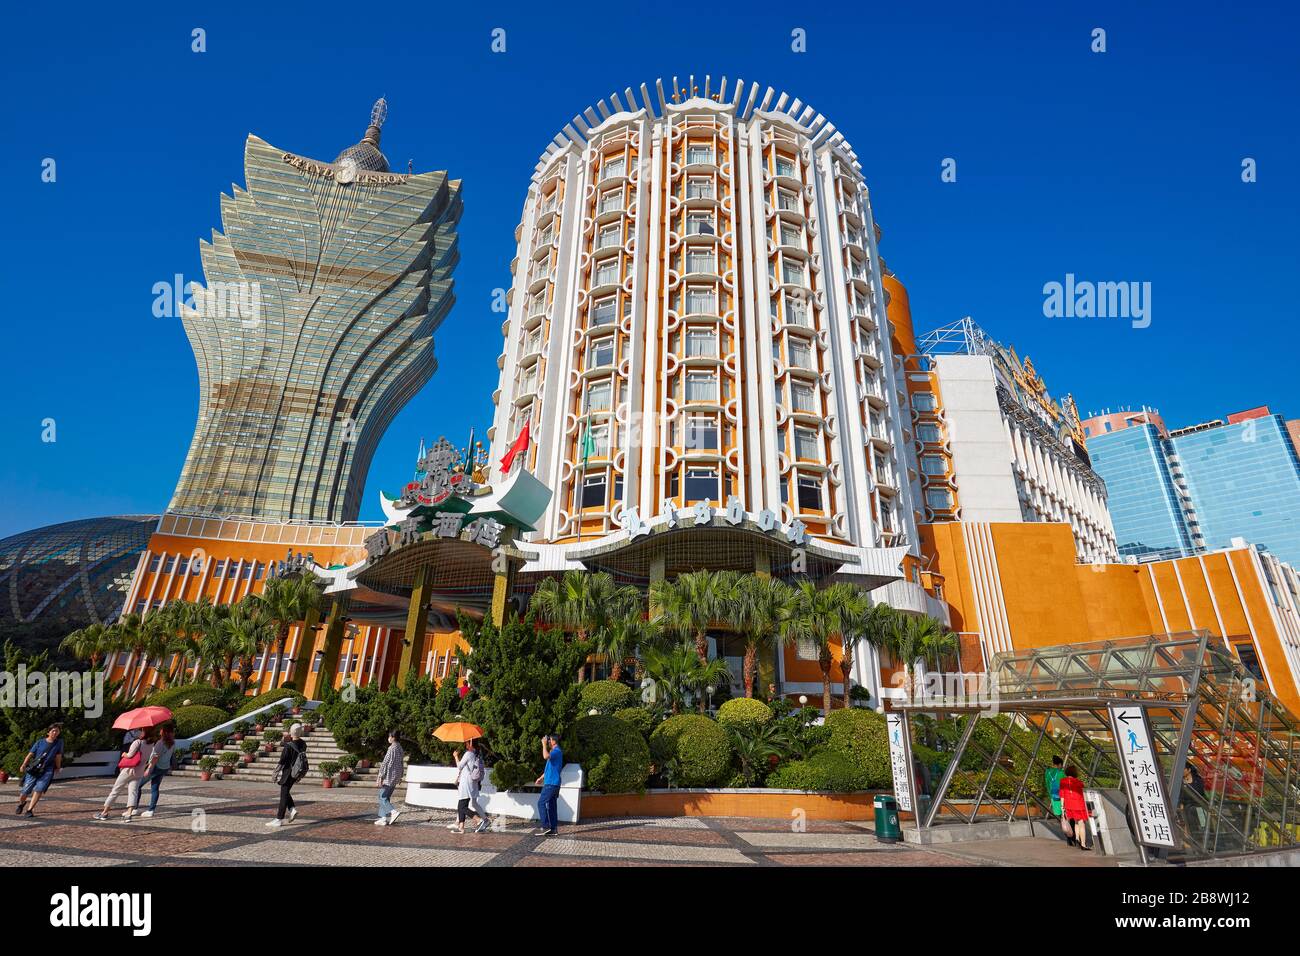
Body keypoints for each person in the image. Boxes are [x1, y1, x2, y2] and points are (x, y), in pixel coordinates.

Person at [95, 727, 156, 822]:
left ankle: (104, 813)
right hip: (139, 771)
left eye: (142, 731)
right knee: (133, 792)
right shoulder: (151, 744)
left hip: (128, 770)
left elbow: (130, 755)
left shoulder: (137, 742)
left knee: (116, 790)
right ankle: (129, 814)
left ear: (144, 732)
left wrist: (124, 754)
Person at [16, 724, 64, 818]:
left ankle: (30, 810)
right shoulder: (40, 742)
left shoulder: (59, 743)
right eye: (53, 730)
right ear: (48, 732)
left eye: (57, 731)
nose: (55, 732)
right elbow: (30, 754)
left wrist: (58, 767)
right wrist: (24, 765)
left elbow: (58, 756)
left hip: (47, 770)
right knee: (25, 792)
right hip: (34, 769)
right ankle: (21, 804)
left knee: (39, 789)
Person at [268, 723, 308, 828]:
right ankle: (292, 809)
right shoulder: (303, 744)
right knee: (285, 792)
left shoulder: (288, 746)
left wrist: (275, 773)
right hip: (296, 772)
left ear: (290, 732)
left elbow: (282, 761)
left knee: (283, 796)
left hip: (287, 773)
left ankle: (279, 819)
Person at [136, 724, 177, 818]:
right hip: (164, 767)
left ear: (164, 732)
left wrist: (149, 769)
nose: (159, 731)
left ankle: (135, 807)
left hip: (155, 767)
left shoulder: (160, 743)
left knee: (138, 785)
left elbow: (155, 757)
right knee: (155, 788)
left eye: (161, 730)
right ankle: (151, 810)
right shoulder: (173, 743)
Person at [449, 738, 488, 834]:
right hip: (472, 782)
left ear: (470, 743)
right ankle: (461, 827)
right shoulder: (476, 754)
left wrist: (455, 756)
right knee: (462, 804)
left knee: (462, 806)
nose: (465, 744)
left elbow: (459, 766)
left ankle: (478, 819)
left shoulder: (468, 754)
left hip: (465, 782)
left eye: (467, 742)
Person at [533, 732, 563, 837]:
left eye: (549, 740)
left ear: (554, 741)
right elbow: (549, 769)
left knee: (541, 803)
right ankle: (553, 829)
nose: (548, 741)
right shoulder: (555, 752)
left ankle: (545, 827)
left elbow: (545, 756)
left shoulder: (556, 751)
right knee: (551, 806)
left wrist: (543, 744)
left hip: (551, 784)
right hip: (553, 783)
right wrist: (541, 778)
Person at [374, 730, 404, 827]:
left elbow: (386, 763)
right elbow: (401, 763)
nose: (388, 738)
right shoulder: (400, 748)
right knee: (386, 796)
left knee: (382, 796)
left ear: (393, 737)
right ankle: (383, 818)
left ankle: (393, 812)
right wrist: (400, 776)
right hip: (395, 776)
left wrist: (380, 776)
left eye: (389, 736)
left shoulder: (392, 748)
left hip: (389, 776)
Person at [1058, 765, 1091, 851]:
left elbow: (1062, 794)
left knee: (1076, 822)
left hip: (1069, 805)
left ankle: (1077, 839)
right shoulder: (1078, 782)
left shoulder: (1063, 781)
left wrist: (1062, 806)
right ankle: (1083, 844)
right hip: (1079, 804)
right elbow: (1082, 791)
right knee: (1081, 824)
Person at [1044, 756, 1069, 842]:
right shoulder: (1061, 773)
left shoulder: (1047, 773)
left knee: (1061, 818)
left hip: (1054, 798)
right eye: (1061, 765)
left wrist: (1051, 796)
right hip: (1063, 797)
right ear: (1059, 764)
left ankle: (1067, 836)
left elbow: (1047, 785)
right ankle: (1071, 837)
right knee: (1067, 816)